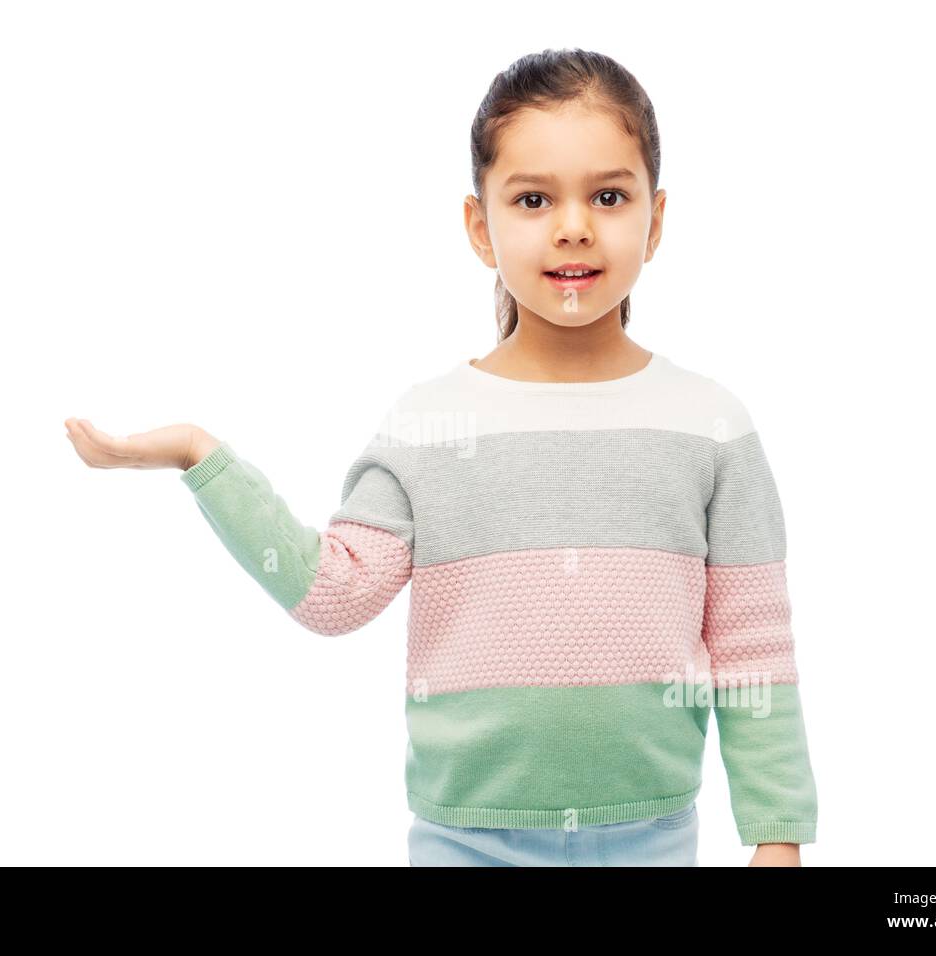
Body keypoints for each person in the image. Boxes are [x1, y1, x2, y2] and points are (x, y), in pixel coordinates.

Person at [65, 48, 818, 867]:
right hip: (467, 845)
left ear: (657, 219)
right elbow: (332, 594)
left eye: (608, 195)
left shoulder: (711, 426)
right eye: (533, 199)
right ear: (478, 226)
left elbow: (753, 648)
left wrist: (777, 835)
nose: (573, 225)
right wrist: (198, 457)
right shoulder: (430, 424)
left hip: (654, 841)